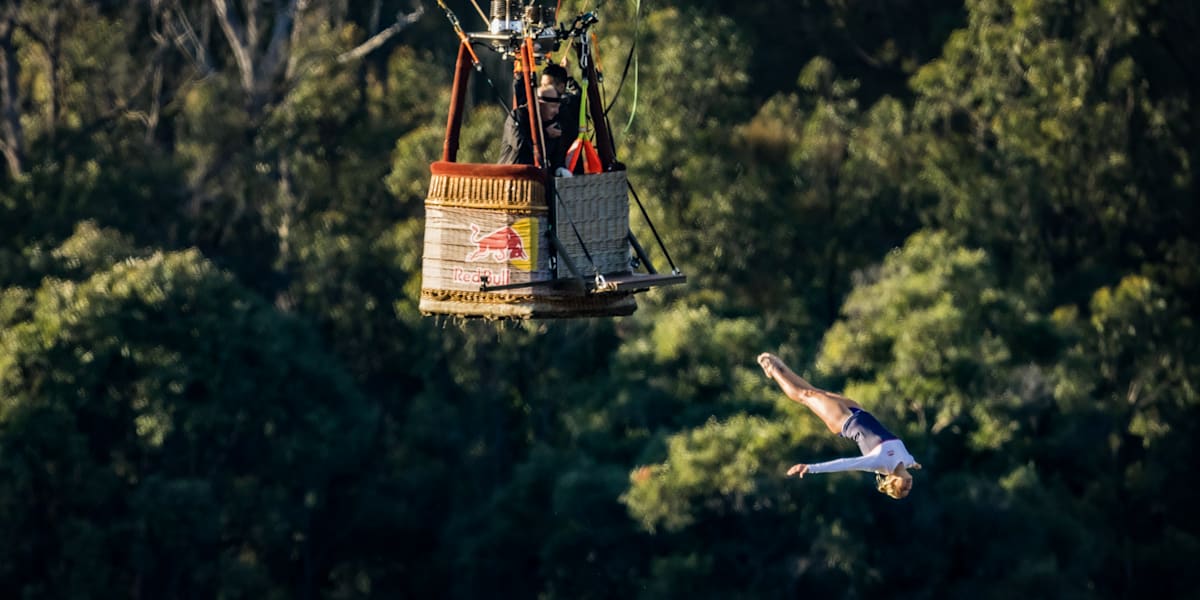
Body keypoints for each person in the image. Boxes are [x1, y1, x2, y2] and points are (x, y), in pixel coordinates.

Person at [757, 352, 921, 499]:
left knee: (806, 395)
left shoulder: (879, 463)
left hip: (843, 421)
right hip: (858, 410)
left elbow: (844, 464)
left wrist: (811, 468)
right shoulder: (907, 460)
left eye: (902, 490)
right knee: (814, 392)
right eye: (908, 490)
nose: (907, 487)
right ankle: (779, 365)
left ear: (892, 481)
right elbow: (910, 460)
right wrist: (914, 464)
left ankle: (773, 369)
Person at [498, 70, 563, 168]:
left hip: (536, 179)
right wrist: (545, 134)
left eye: (558, 107)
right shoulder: (517, 116)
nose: (556, 111)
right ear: (540, 104)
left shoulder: (551, 124)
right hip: (512, 176)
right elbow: (521, 146)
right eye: (553, 106)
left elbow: (556, 156)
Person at [540, 64, 579, 170]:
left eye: (547, 85)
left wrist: (569, 77)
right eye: (542, 85)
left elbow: (577, 96)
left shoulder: (567, 105)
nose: (543, 90)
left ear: (561, 87)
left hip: (567, 171)